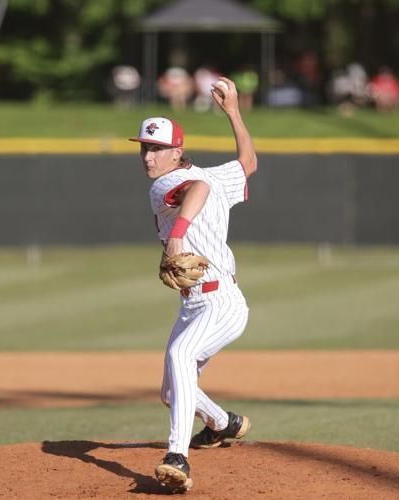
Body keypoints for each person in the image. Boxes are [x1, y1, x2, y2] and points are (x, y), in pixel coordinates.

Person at [129, 77, 257, 492]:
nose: (149, 157)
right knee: (171, 391)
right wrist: (234, 112)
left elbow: (197, 189)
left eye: (157, 149)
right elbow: (248, 163)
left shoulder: (166, 184)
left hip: (221, 301)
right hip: (195, 304)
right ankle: (223, 423)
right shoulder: (215, 173)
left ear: (176, 151)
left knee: (181, 355)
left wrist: (178, 234)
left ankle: (177, 456)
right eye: (144, 148)